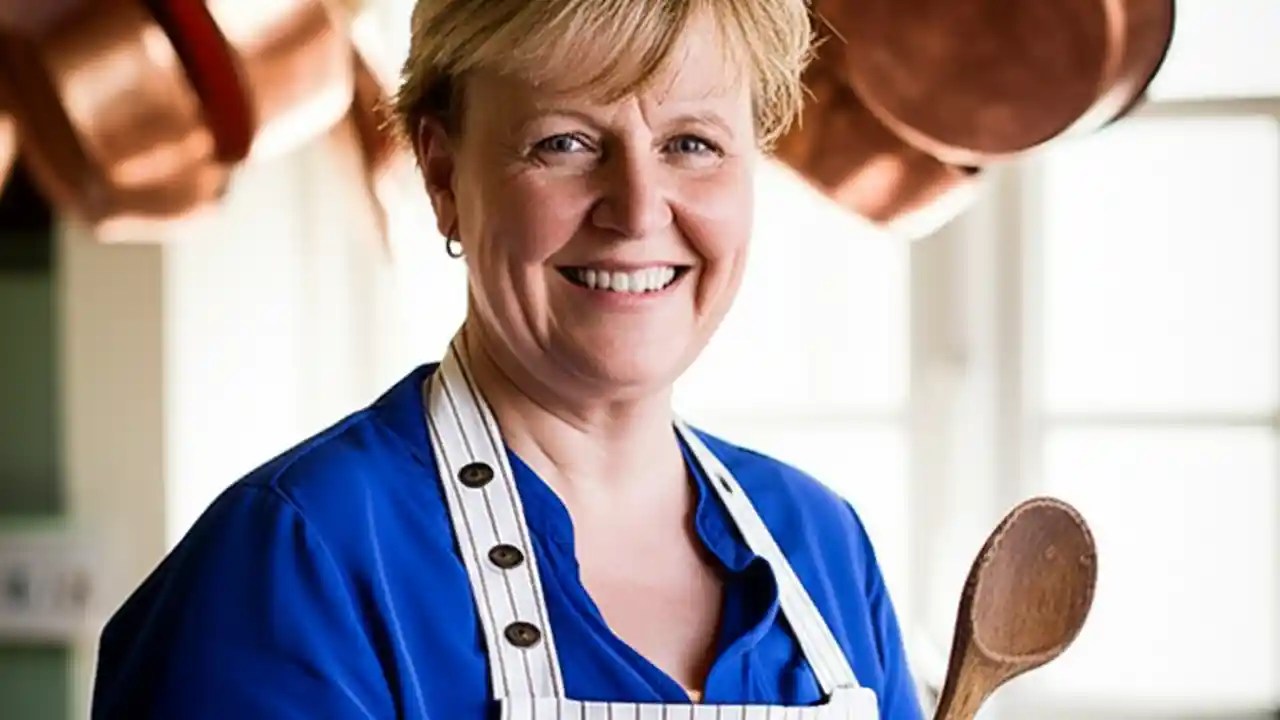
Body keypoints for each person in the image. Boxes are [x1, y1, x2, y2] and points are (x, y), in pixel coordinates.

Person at [91, 0, 925, 717]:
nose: (637, 212)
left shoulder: (820, 547)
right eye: (564, 143)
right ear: (443, 175)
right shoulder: (299, 562)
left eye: (692, 144)